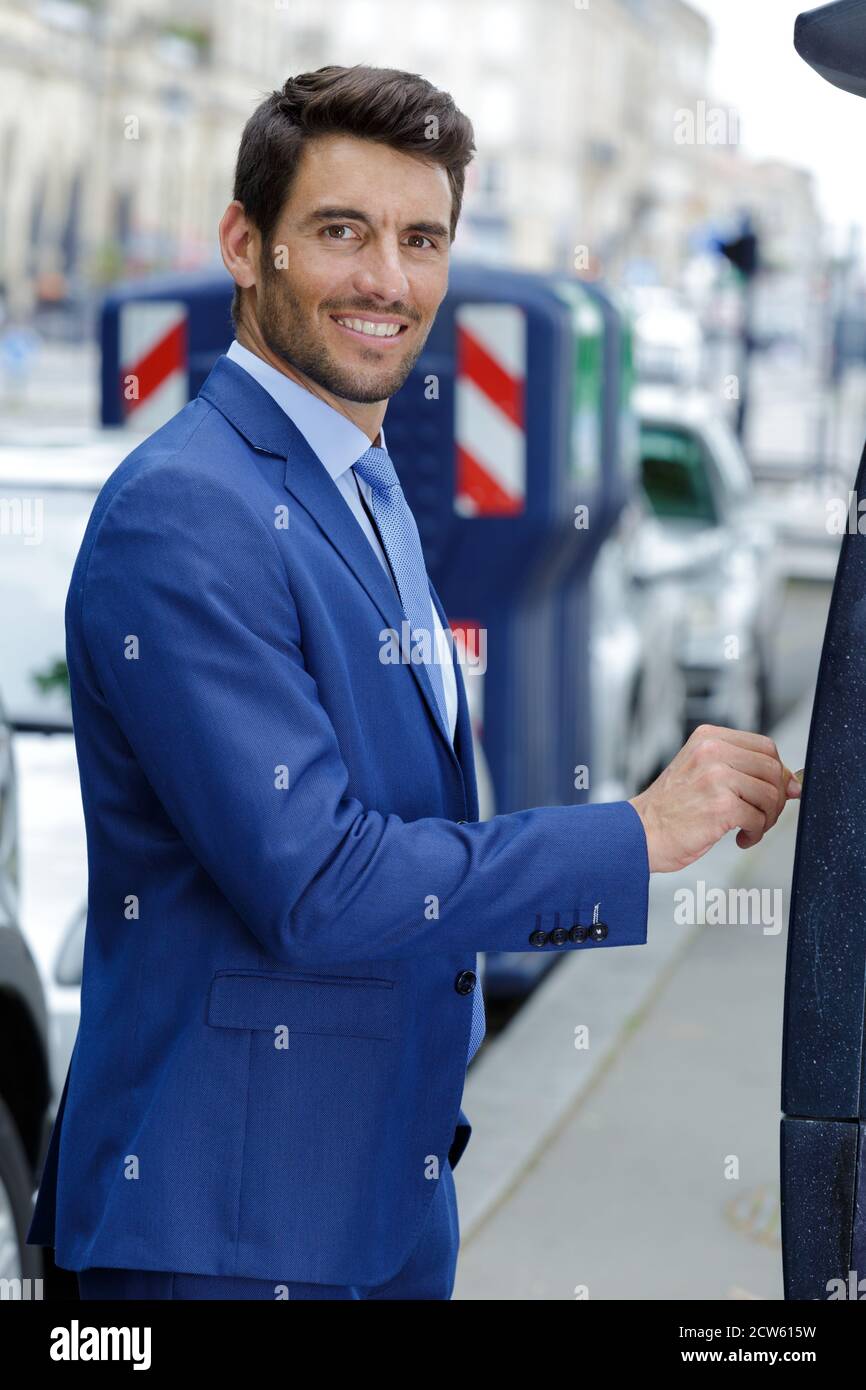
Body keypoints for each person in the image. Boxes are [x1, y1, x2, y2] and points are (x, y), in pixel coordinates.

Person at [26, 64, 800, 1301]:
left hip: (374, 1209)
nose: (387, 279)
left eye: (421, 238)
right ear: (243, 243)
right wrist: (631, 835)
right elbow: (319, 884)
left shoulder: (360, 480)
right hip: (219, 1234)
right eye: (341, 231)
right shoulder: (187, 510)